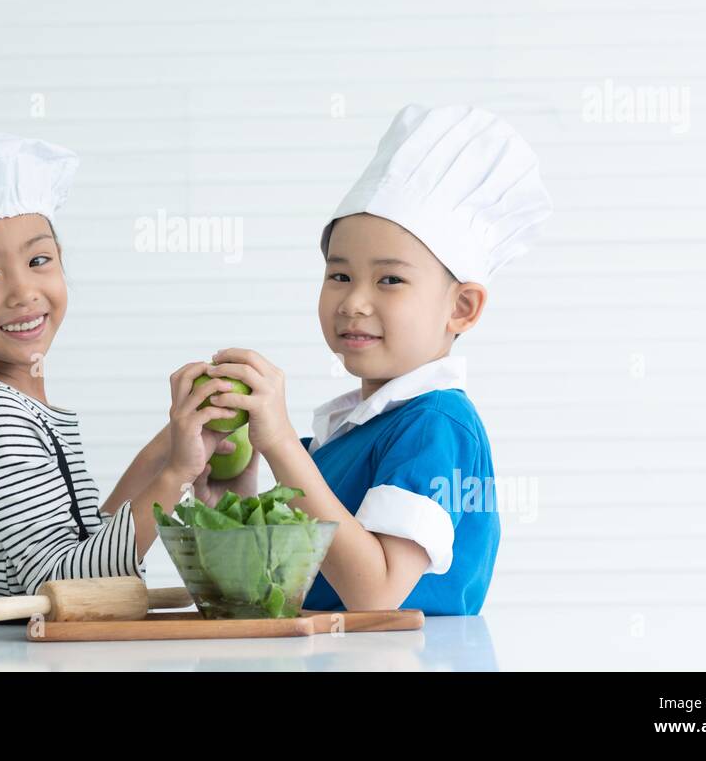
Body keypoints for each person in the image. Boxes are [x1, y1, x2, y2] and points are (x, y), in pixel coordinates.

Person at [183, 104, 554, 615]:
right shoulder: (344, 435)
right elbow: (283, 586)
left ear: (461, 307)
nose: (354, 301)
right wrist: (228, 491)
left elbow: (375, 594)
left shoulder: (435, 426)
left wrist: (280, 443)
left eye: (390, 279)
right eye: (339, 275)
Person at [0, 131, 254, 622]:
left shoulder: (10, 406)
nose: (23, 291)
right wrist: (177, 473)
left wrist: (170, 446)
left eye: (38, 261)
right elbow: (65, 586)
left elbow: (85, 547)